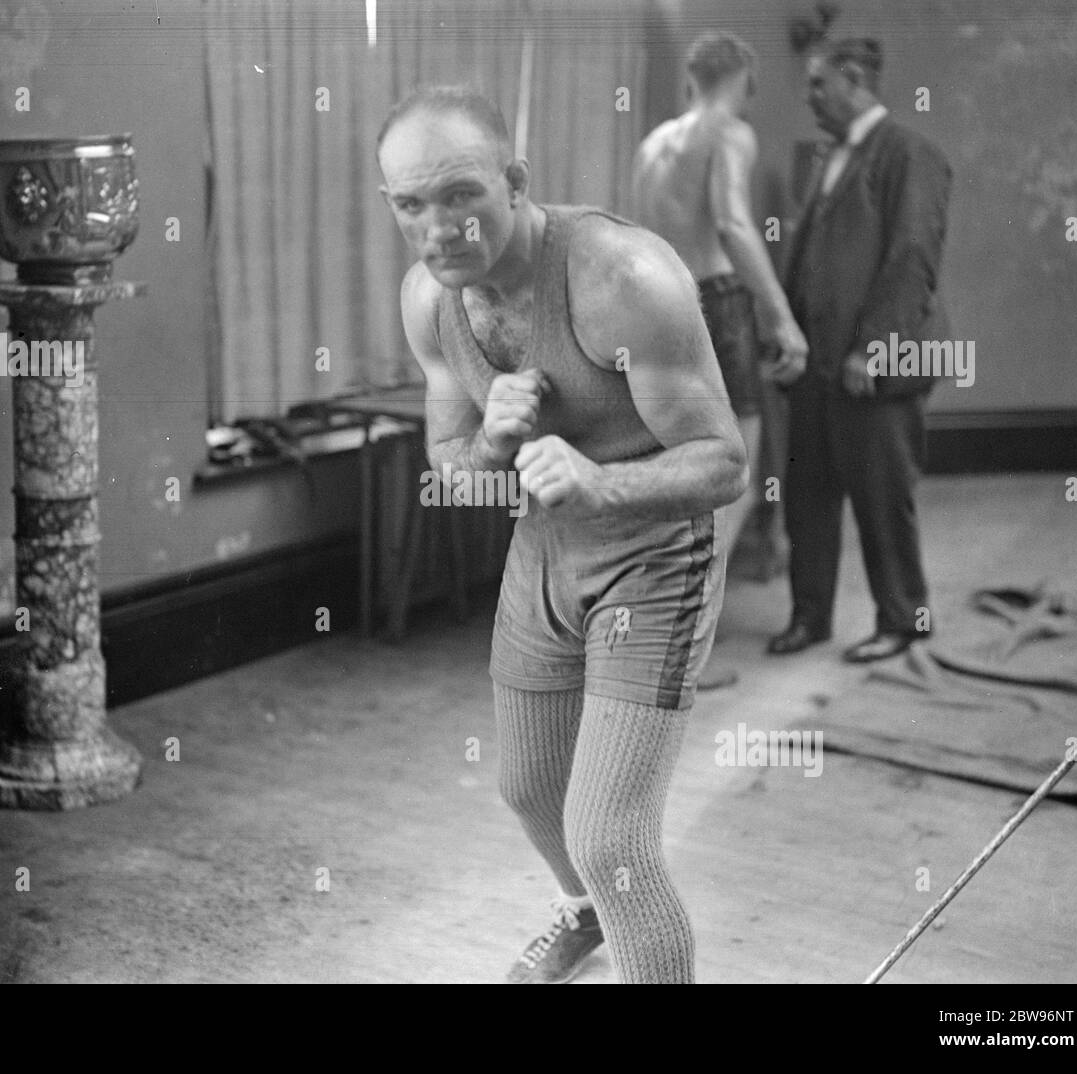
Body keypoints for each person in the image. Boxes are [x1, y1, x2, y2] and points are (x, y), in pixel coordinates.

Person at [377, 85, 747, 983]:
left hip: (657, 557)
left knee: (609, 838)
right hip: (543, 551)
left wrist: (601, 481)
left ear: (514, 181)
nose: (439, 229)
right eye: (411, 204)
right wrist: (492, 443)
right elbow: (453, 469)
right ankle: (582, 917)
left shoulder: (622, 277)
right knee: (529, 787)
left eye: (462, 194)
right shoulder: (429, 300)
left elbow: (724, 464)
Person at [632, 31, 808, 687]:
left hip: (656, 305)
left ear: (691, 80)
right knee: (735, 475)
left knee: (674, 475)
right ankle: (679, 650)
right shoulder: (731, 133)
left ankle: (647, 638)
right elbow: (733, 224)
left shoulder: (653, 144)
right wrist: (780, 315)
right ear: (747, 80)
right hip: (715, 301)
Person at [769, 38, 952, 662]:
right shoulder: (830, 156)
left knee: (882, 500)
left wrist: (873, 349)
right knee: (807, 498)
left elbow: (913, 259)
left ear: (853, 80)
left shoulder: (910, 152)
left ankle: (904, 619)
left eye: (817, 84)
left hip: (874, 369)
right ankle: (810, 618)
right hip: (815, 366)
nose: (808, 96)